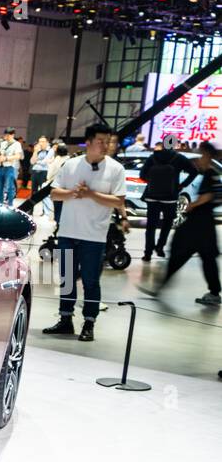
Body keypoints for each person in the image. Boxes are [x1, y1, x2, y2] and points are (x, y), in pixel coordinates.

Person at [44, 123, 127, 342]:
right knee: (67, 279)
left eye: (108, 141)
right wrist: (73, 192)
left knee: (91, 281)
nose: (106, 145)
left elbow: (118, 200)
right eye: (101, 141)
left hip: (94, 236)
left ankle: (89, 322)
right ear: (88, 142)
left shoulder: (116, 169)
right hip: (68, 232)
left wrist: (90, 194)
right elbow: (54, 194)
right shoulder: (71, 165)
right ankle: (65, 320)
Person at [140, 142, 219, 305]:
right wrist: (180, 186)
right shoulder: (207, 171)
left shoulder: (210, 173)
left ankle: (156, 275)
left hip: (198, 223)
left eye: (201, 155)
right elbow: (214, 194)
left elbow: (208, 196)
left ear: (207, 155)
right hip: (201, 221)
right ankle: (213, 292)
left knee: (180, 250)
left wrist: (193, 205)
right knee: (203, 256)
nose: (198, 159)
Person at [137, 143, 194, 261]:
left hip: (152, 196)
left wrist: (153, 181)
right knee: (167, 223)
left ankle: (147, 253)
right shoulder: (179, 158)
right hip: (170, 197)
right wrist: (182, 185)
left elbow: (142, 174)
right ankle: (160, 247)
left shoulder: (152, 157)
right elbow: (194, 171)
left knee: (151, 226)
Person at [0, 127, 23, 206]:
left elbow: (18, 156)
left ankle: (10, 205)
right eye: (5, 135)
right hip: (0, 167)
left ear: (12, 135)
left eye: (8, 135)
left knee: (10, 187)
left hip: (9, 168)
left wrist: (6, 158)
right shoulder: (3, 143)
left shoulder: (17, 144)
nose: (6, 137)